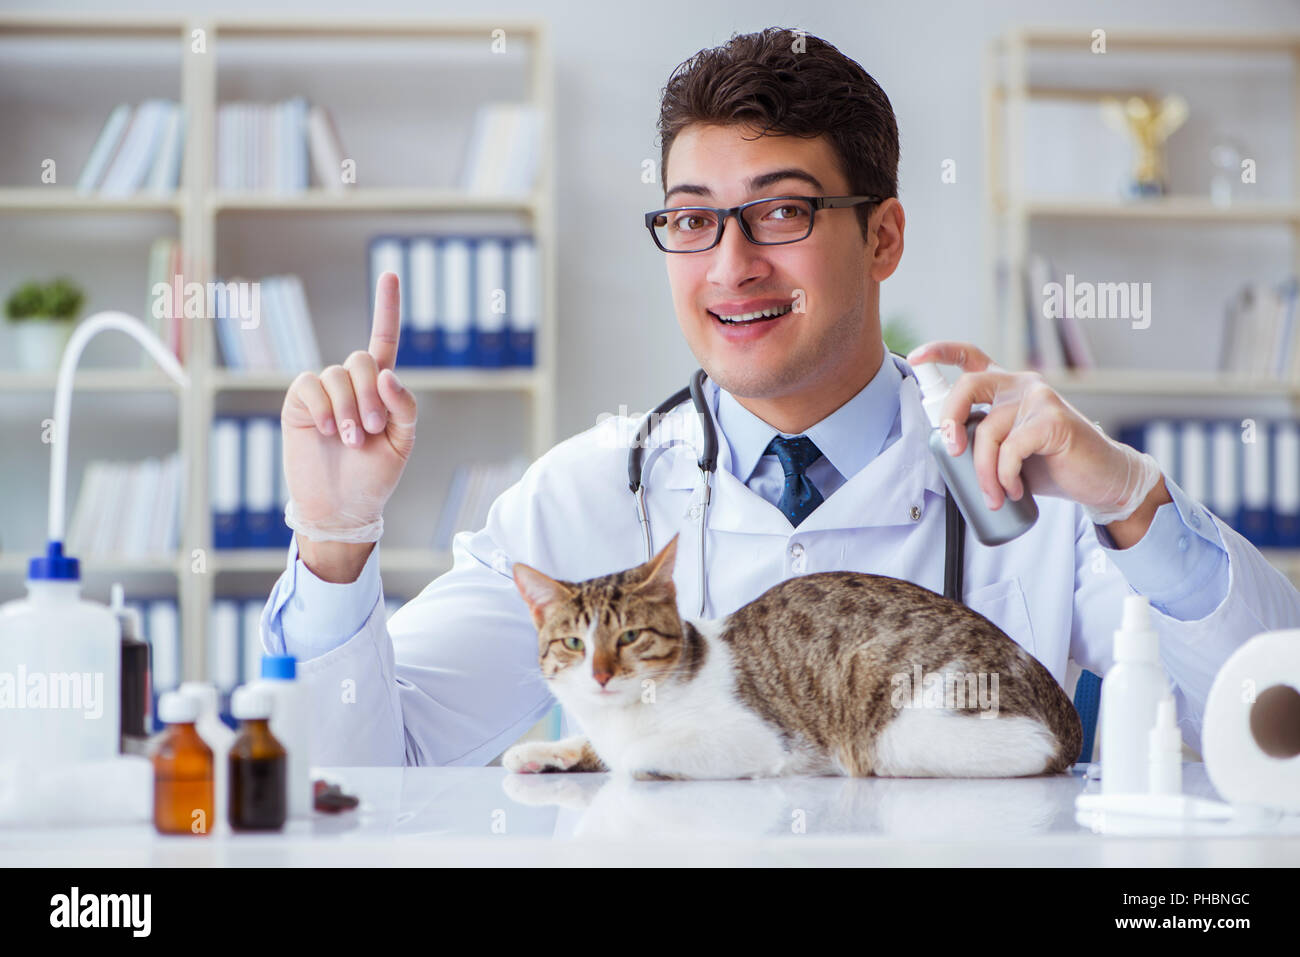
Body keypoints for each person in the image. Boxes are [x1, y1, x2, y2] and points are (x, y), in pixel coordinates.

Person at [263, 27, 1300, 767]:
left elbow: (1270, 731)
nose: (730, 266)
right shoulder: (586, 494)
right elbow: (358, 770)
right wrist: (334, 538)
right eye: (692, 220)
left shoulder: (1025, 485)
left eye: (781, 213)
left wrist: (1131, 503)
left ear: (883, 237)